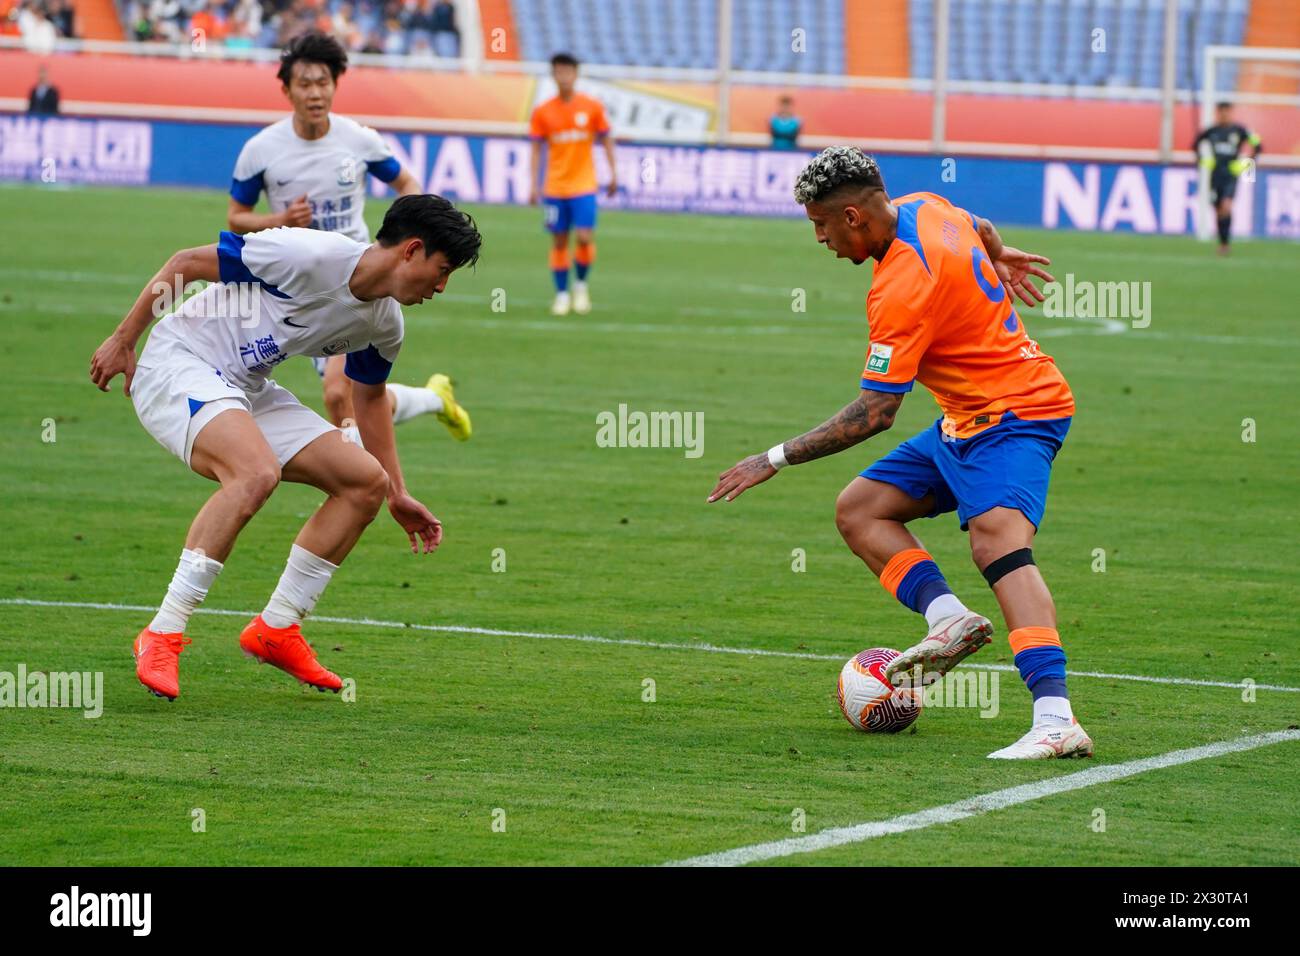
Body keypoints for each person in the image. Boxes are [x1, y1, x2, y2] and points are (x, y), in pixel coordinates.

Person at [708, 147, 1091, 760]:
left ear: (854, 216)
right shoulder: (927, 206)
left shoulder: (901, 286)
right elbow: (980, 226)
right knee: (861, 510)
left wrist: (772, 459)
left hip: (1020, 412)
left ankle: (1055, 719)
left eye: (820, 224)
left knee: (998, 545)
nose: (819, 238)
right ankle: (948, 620)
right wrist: (996, 255)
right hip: (966, 419)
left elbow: (874, 413)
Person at [88, 195, 482, 701]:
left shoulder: (384, 324)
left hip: (246, 387)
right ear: (411, 251)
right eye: (442, 270)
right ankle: (163, 631)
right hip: (178, 363)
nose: (442, 287)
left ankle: (277, 628)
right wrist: (124, 339)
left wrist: (397, 493)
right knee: (255, 473)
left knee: (365, 484)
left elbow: (369, 397)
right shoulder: (311, 256)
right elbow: (186, 264)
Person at [228, 31, 471, 444]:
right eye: (305, 84)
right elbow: (237, 219)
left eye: (324, 83)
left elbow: (407, 181)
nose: (315, 93)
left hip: (359, 284)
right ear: (287, 89)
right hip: (299, 286)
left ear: (335, 85)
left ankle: (353, 486)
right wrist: (282, 217)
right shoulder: (261, 150)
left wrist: (410, 239)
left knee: (340, 392)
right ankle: (433, 399)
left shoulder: (358, 140)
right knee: (357, 397)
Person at [529, 52, 618, 316]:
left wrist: (614, 172)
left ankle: (580, 286)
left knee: (584, 236)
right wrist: (533, 184)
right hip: (555, 188)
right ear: (553, 75)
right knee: (558, 241)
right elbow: (536, 150)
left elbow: (606, 138)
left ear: (576, 74)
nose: (563, 76)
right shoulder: (543, 111)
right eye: (559, 71)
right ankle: (561, 294)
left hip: (584, 185)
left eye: (568, 71)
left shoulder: (592, 107)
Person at [1194, 101, 1262, 256]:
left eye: (1227, 112)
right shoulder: (1211, 131)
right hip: (1215, 174)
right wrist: (1202, 162)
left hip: (1231, 175)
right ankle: (1223, 242)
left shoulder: (1240, 130)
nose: (1224, 115)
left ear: (1231, 113)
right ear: (1218, 113)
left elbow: (1258, 145)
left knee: (1226, 205)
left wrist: (1249, 163)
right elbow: (1195, 144)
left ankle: (1225, 244)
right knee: (1218, 210)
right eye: (1221, 112)